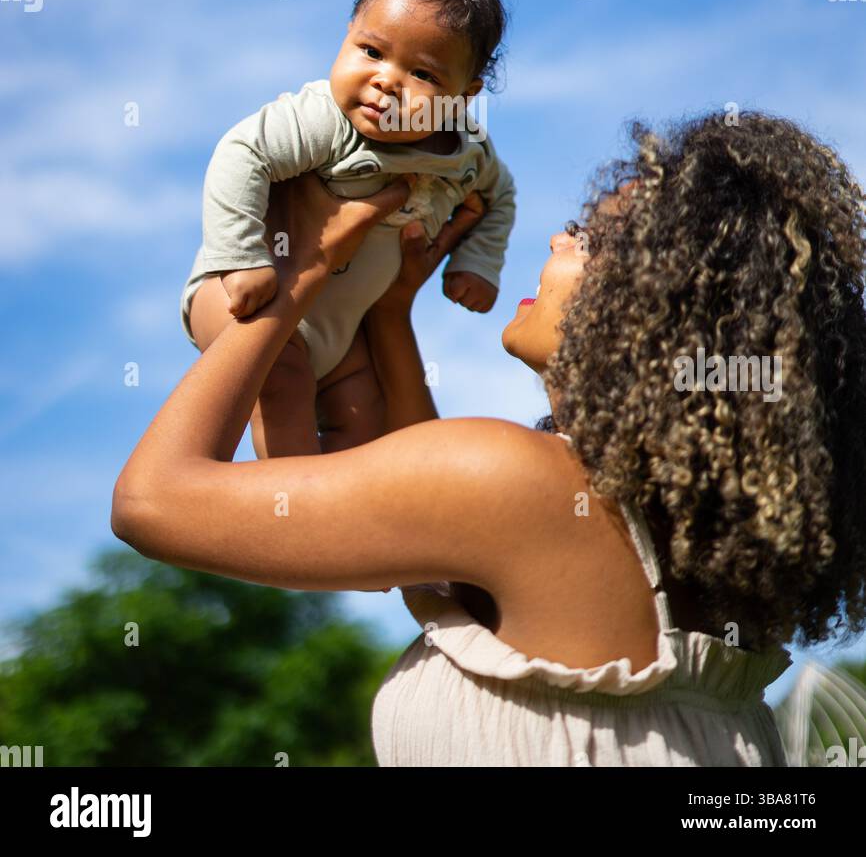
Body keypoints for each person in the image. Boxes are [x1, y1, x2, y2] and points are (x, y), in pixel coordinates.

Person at [112, 110, 866, 767]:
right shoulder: (681, 545)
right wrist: (391, 312)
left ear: (656, 302)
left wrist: (294, 271)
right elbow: (431, 516)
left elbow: (151, 501)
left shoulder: (523, 484)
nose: (557, 238)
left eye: (591, 238)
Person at [179, 0, 515, 455]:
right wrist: (241, 256)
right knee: (283, 382)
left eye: (423, 75)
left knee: (363, 418)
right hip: (250, 298)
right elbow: (242, 153)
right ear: (347, 34)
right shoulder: (324, 122)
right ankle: (289, 512)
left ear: (463, 96)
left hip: (344, 331)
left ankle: (341, 525)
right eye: (372, 52)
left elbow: (501, 196)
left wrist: (478, 261)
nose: (387, 81)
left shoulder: (468, 152)